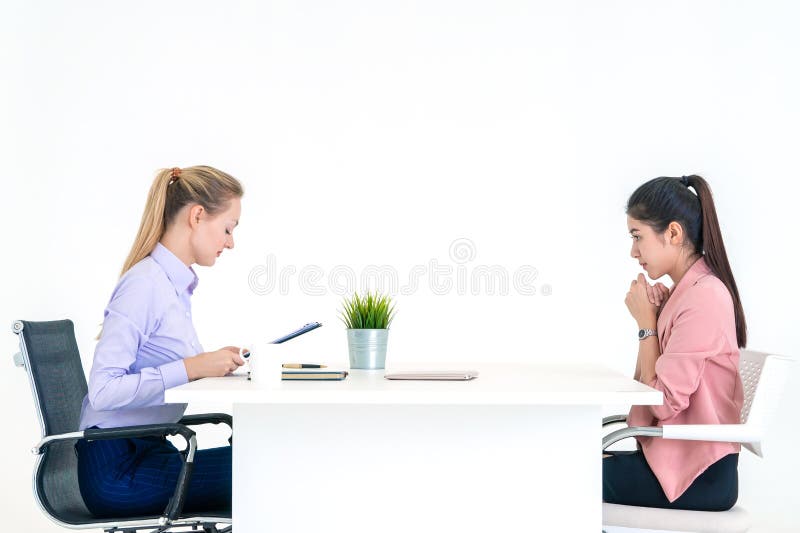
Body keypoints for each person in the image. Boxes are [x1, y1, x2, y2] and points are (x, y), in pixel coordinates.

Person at [75, 166, 246, 517]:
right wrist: (190, 367)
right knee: (267, 465)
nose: (230, 242)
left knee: (267, 456)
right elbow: (103, 391)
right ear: (198, 215)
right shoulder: (144, 285)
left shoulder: (172, 287)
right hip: (119, 471)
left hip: (149, 452)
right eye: (228, 229)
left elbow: (166, 368)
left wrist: (207, 366)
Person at [603, 175, 746, 511]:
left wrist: (646, 327)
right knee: (567, 464)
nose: (633, 251)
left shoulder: (704, 297)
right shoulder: (686, 294)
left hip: (698, 477)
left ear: (673, 233)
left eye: (638, 236)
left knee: (566, 472)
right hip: (675, 462)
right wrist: (650, 322)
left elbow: (661, 403)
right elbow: (646, 386)